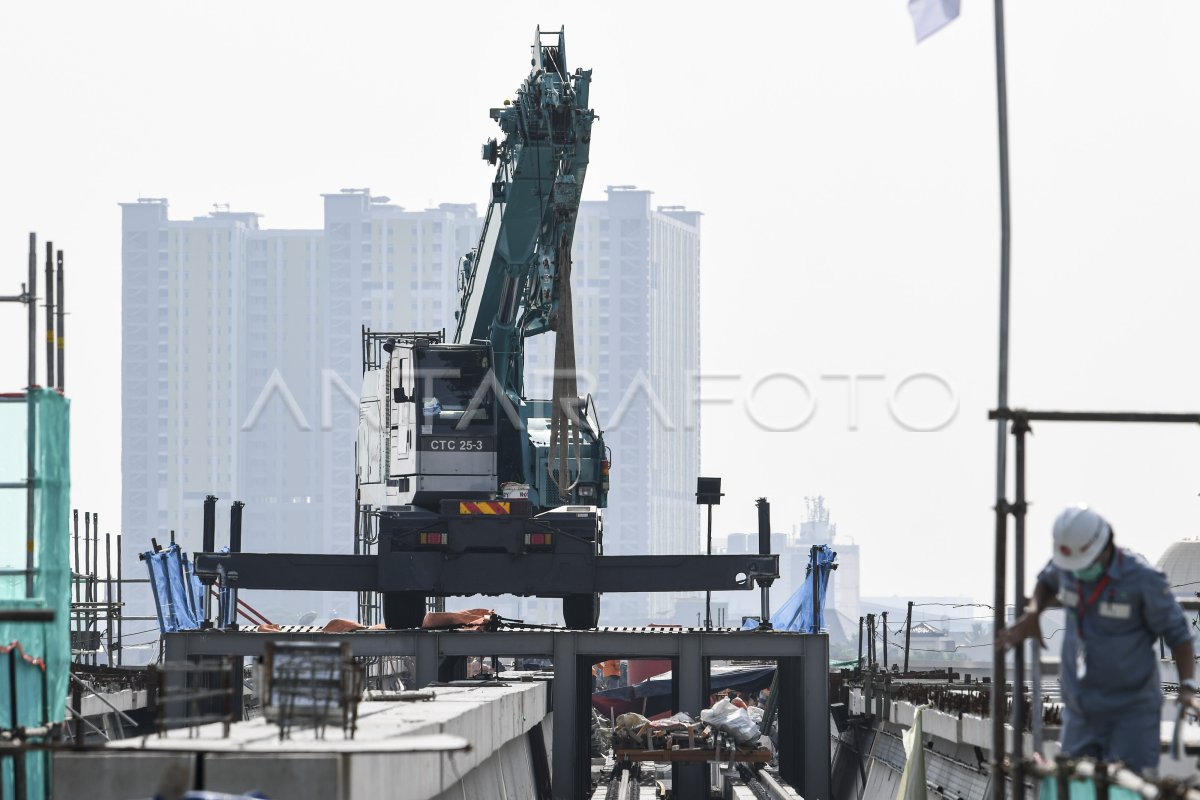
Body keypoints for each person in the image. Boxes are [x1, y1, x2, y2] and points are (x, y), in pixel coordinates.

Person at [999, 504, 1198, 774]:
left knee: (1127, 785)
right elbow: (1047, 581)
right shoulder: (1069, 564)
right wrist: (1033, 614)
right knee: (1076, 782)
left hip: (1131, 714)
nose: (1079, 574)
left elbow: (1179, 635)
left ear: (1103, 548)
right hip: (1081, 711)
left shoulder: (1142, 580)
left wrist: (1186, 686)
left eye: (1085, 566)